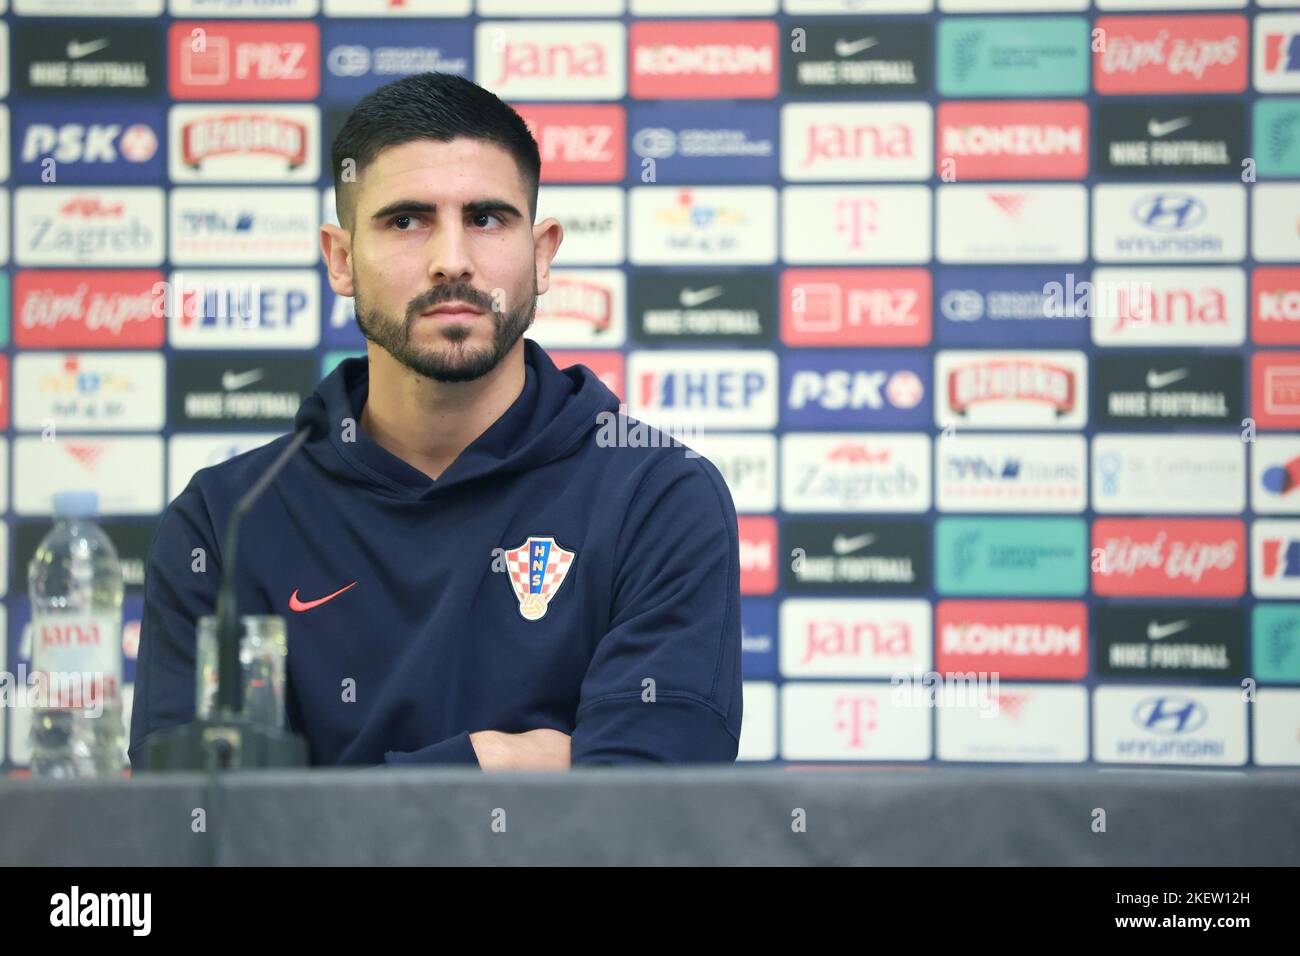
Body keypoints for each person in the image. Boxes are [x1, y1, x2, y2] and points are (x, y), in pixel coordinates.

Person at [128, 72, 742, 770]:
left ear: (541, 255)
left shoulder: (657, 498)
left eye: (486, 219)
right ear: (341, 258)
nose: (451, 260)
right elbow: (192, 826)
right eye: (406, 220)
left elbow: (646, 822)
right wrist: (489, 763)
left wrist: (329, 803)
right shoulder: (227, 519)